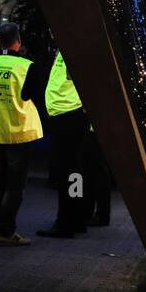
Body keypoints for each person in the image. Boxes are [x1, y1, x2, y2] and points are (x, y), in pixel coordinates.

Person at [0, 22, 45, 246]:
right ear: (18, 41)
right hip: (20, 133)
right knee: (15, 186)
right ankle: (5, 230)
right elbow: (37, 97)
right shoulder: (28, 67)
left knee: (0, 182)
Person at [38, 50, 89, 238]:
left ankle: (66, 223)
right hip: (66, 112)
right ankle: (76, 218)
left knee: (67, 170)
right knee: (74, 170)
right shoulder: (64, 45)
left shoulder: (74, 42)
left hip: (67, 113)